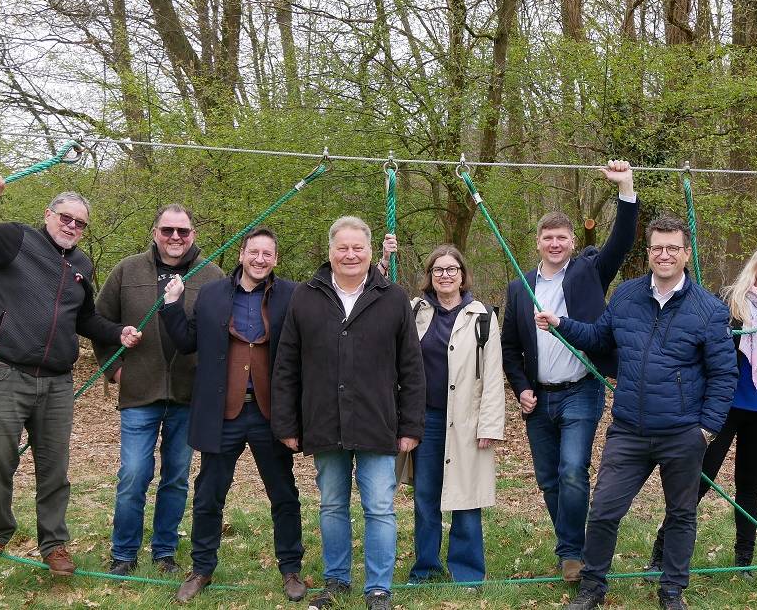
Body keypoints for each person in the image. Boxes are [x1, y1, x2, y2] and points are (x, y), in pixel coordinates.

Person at [536, 215, 737, 610]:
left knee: (681, 513)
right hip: (628, 429)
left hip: (683, 433)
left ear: (686, 253)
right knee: (605, 509)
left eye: (672, 248)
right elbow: (598, 337)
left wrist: (706, 430)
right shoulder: (627, 296)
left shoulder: (709, 310)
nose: (664, 255)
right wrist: (561, 324)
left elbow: (724, 375)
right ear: (648, 253)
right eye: (657, 248)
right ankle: (593, 586)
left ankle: (672, 588)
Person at [0, 177, 141, 576]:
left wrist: (116, 331)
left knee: (54, 468)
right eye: (66, 218)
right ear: (48, 215)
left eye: (80, 223)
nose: (72, 226)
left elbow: (85, 318)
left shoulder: (82, 265)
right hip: (3, 373)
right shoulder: (16, 240)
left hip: (57, 383)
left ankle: (54, 544)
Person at [644, 242, 757, 579]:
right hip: (723, 408)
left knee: (749, 484)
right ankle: (660, 553)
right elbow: (698, 337)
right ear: (756, 263)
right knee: (699, 481)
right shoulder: (730, 300)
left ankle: (744, 560)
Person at [272, 216, 426, 610]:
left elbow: (412, 367)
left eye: (358, 247)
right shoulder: (306, 297)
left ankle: (378, 588)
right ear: (330, 252)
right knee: (332, 505)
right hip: (323, 420)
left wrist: (411, 426)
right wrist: (287, 423)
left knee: (379, 507)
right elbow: (287, 364)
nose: (350, 254)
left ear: (371, 252)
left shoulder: (392, 297)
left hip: (378, 422)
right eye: (343, 247)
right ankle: (336, 580)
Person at [499, 160, 639, 582]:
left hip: (581, 390)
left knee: (573, 470)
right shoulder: (519, 287)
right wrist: (520, 388)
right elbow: (509, 347)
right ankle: (570, 547)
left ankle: (573, 553)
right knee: (548, 479)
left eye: (562, 237)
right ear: (538, 242)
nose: (555, 243)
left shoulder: (589, 271)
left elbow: (622, 240)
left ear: (573, 241)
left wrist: (625, 188)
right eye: (548, 237)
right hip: (538, 396)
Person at [159, 228, 306, 603]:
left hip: (270, 414)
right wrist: (172, 304)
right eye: (254, 252)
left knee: (284, 495)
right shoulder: (211, 294)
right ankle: (201, 569)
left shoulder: (292, 295)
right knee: (209, 494)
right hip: (222, 413)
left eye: (267, 254)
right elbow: (187, 341)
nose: (260, 259)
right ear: (241, 254)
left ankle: (291, 569)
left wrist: (383, 266)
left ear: (275, 259)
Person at [92, 204, 224, 576]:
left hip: (188, 395)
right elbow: (98, 321)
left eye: (183, 231)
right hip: (139, 392)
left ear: (193, 235)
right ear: (155, 232)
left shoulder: (211, 275)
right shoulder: (127, 270)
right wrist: (114, 368)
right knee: (134, 474)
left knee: (177, 477)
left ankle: (164, 551)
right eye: (168, 230)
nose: (175, 237)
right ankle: (124, 552)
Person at [406, 245, 506, 584]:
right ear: (429, 277)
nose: (445, 275)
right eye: (438, 270)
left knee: (467, 496)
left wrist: (489, 424)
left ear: (462, 275)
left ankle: (467, 571)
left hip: (467, 420)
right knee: (425, 495)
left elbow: (493, 375)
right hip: (426, 420)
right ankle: (426, 568)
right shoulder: (414, 311)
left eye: (451, 270)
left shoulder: (481, 317)